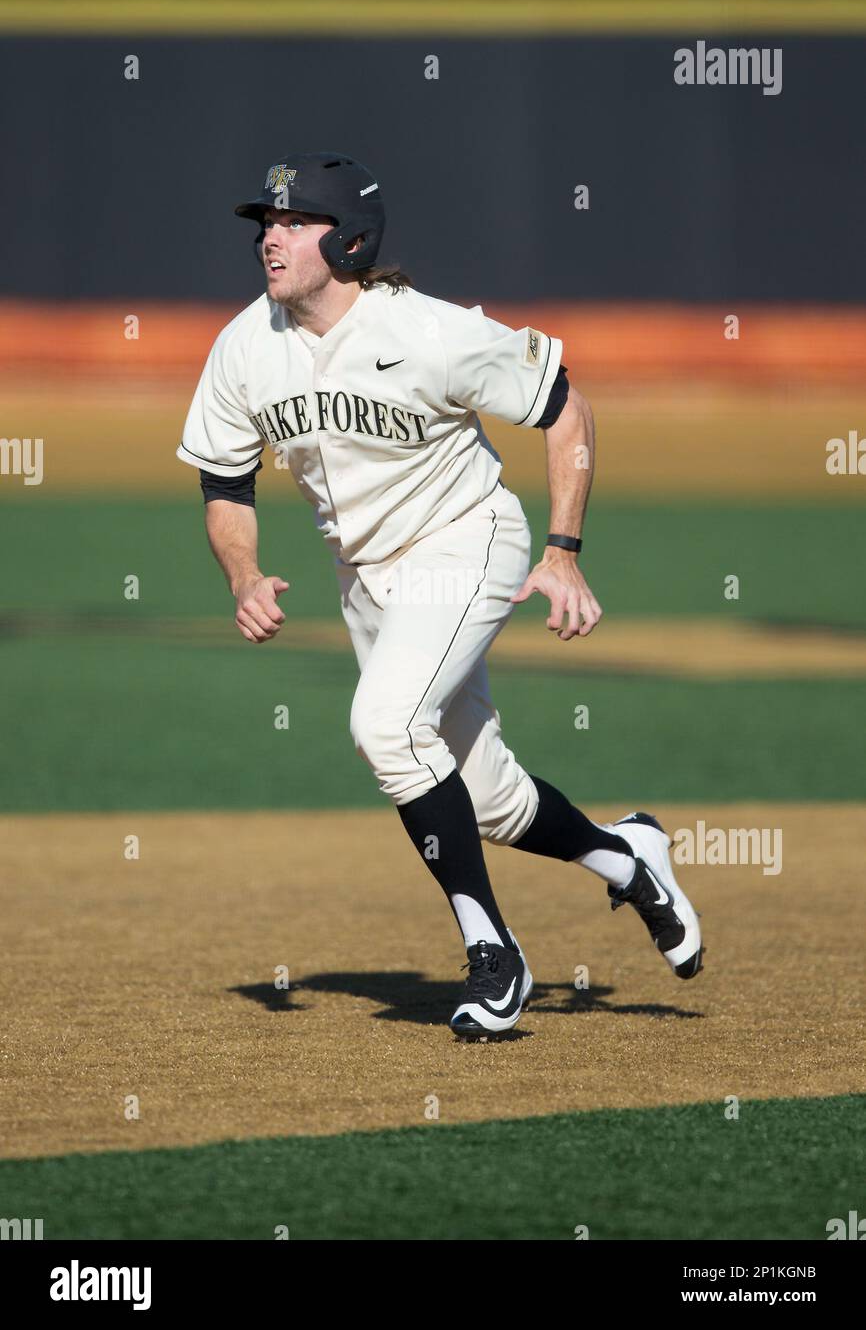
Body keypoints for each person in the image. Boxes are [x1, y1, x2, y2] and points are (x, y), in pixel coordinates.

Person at [177, 152, 702, 1039]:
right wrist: (242, 574)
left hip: (465, 543)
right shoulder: (243, 348)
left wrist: (565, 550)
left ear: (347, 240)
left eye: (294, 221)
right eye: (265, 221)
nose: (271, 235)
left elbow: (564, 409)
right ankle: (629, 857)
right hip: (368, 579)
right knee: (487, 798)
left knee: (385, 728)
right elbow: (224, 484)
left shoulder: (430, 331)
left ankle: (495, 956)